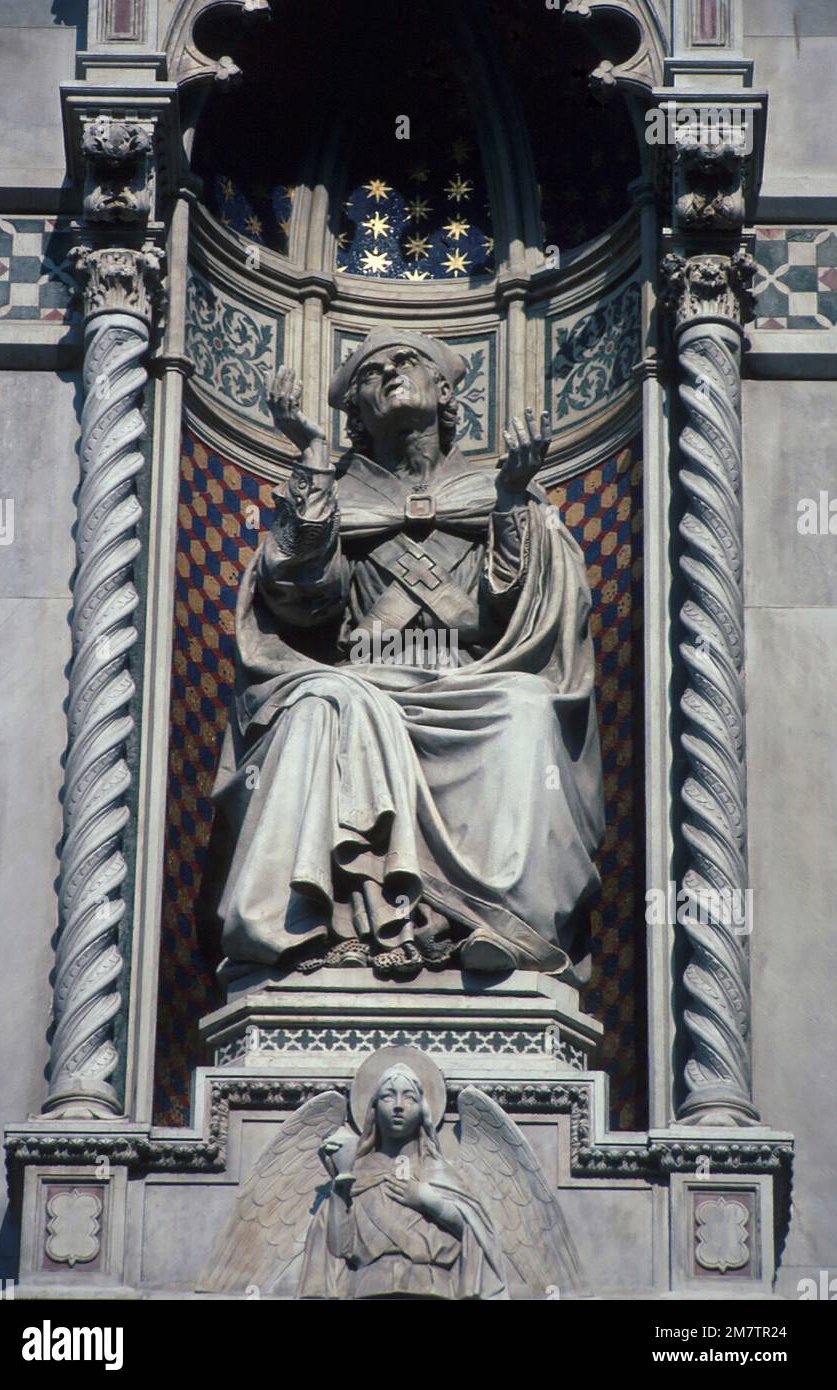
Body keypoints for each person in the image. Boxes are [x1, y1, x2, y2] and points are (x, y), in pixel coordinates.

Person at [207, 327, 604, 979]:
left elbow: (529, 614)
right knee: (317, 702)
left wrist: (510, 500)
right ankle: (308, 929)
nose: (388, 372)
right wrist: (309, 458)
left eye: (406, 361)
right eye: (368, 372)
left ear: (445, 390)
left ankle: (501, 924)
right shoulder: (329, 492)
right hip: (361, 680)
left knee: (527, 707)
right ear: (354, 411)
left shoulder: (500, 490)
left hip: (472, 680)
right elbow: (300, 602)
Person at [297, 1061, 507, 1300]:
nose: (398, 1106)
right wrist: (341, 1185)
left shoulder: (440, 1173)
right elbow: (337, 1248)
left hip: (434, 1290)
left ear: (423, 1111)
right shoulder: (356, 1176)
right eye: (388, 1096)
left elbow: (478, 1233)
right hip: (366, 1290)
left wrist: (432, 1203)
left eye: (409, 1098)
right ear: (374, 1109)